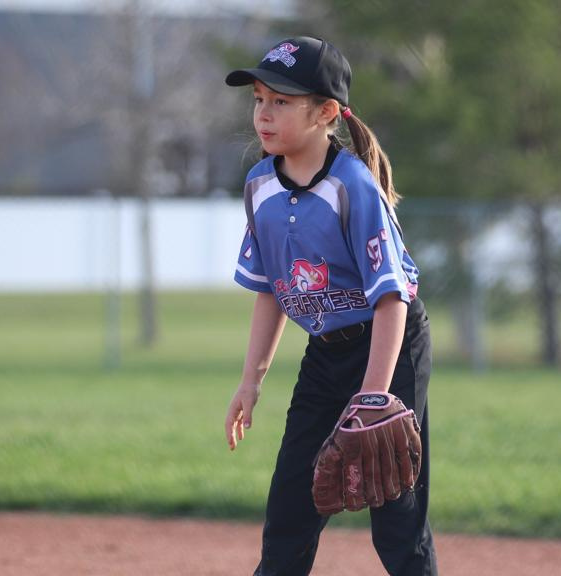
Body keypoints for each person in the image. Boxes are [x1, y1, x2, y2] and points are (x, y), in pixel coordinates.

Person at [223, 36, 438, 576]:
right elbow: (271, 288)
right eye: (259, 99)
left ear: (325, 113)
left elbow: (392, 298)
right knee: (290, 510)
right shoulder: (258, 188)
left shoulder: (352, 187)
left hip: (389, 346)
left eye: (281, 102)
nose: (264, 115)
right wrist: (251, 381)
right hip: (325, 352)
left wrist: (374, 395)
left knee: (396, 516)